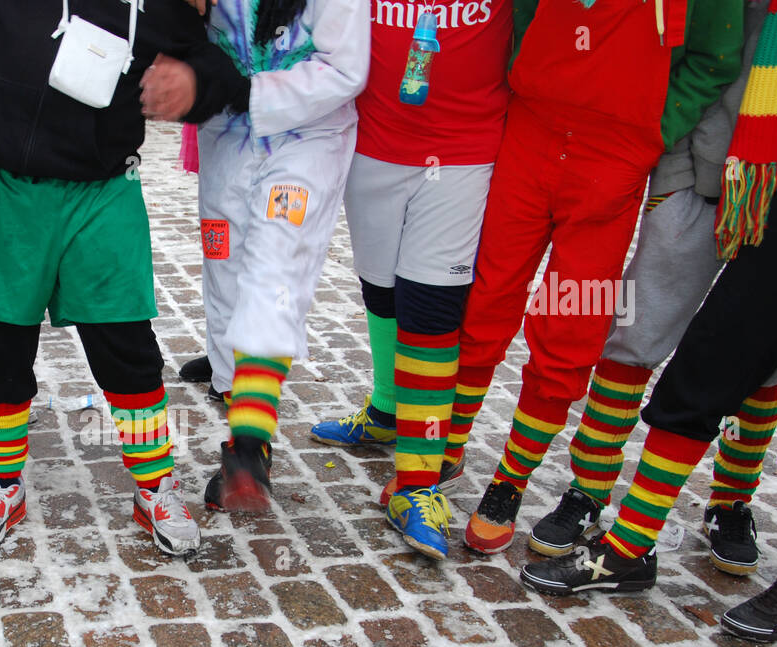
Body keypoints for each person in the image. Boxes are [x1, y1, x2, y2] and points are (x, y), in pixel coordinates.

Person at [0, 0, 248, 555]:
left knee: (125, 346)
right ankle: (1, 485)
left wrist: (194, 79)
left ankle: (154, 486)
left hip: (101, 186)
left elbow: (212, 62)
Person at [440, 0, 742, 555]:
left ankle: (510, 480)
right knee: (485, 299)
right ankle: (448, 449)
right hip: (529, 135)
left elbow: (715, 58)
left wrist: (654, 126)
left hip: (614, 159)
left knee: (570, 322)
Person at [521, 0, 777, 595]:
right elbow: (692, 46)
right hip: (696, 172)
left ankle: (731, 500)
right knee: (632, 338)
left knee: (764, 360)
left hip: (775, 188)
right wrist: (671, 153)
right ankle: (587, 490)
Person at [308, 0, 513, 559]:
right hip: (372, 143)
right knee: (381, 290)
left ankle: (418, 485)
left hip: (463, 155)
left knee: (431, 311)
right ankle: (385, 411)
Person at [194, 0, 369, 511]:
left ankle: (248, 446)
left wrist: (247, 91)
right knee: (224, 276)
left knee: (273, 268)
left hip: (305, 137)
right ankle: (241, 404)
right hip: (226, 136)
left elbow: (345, 67)